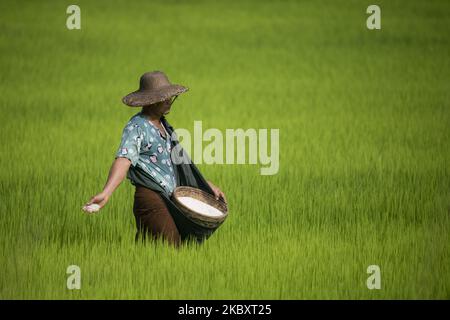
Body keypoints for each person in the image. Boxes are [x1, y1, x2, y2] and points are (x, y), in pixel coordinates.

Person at [83, 71, 226, 247]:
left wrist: (205, 185)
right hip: (152, 198)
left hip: (170, 199)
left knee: (152, 252)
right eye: (162, 97)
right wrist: (106, 193)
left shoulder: (163, 125)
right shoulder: (137, 126)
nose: (168, 100)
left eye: (169, 97)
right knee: (172, 248)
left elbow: (178, 166)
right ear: (149, 100)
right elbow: (124, 159)